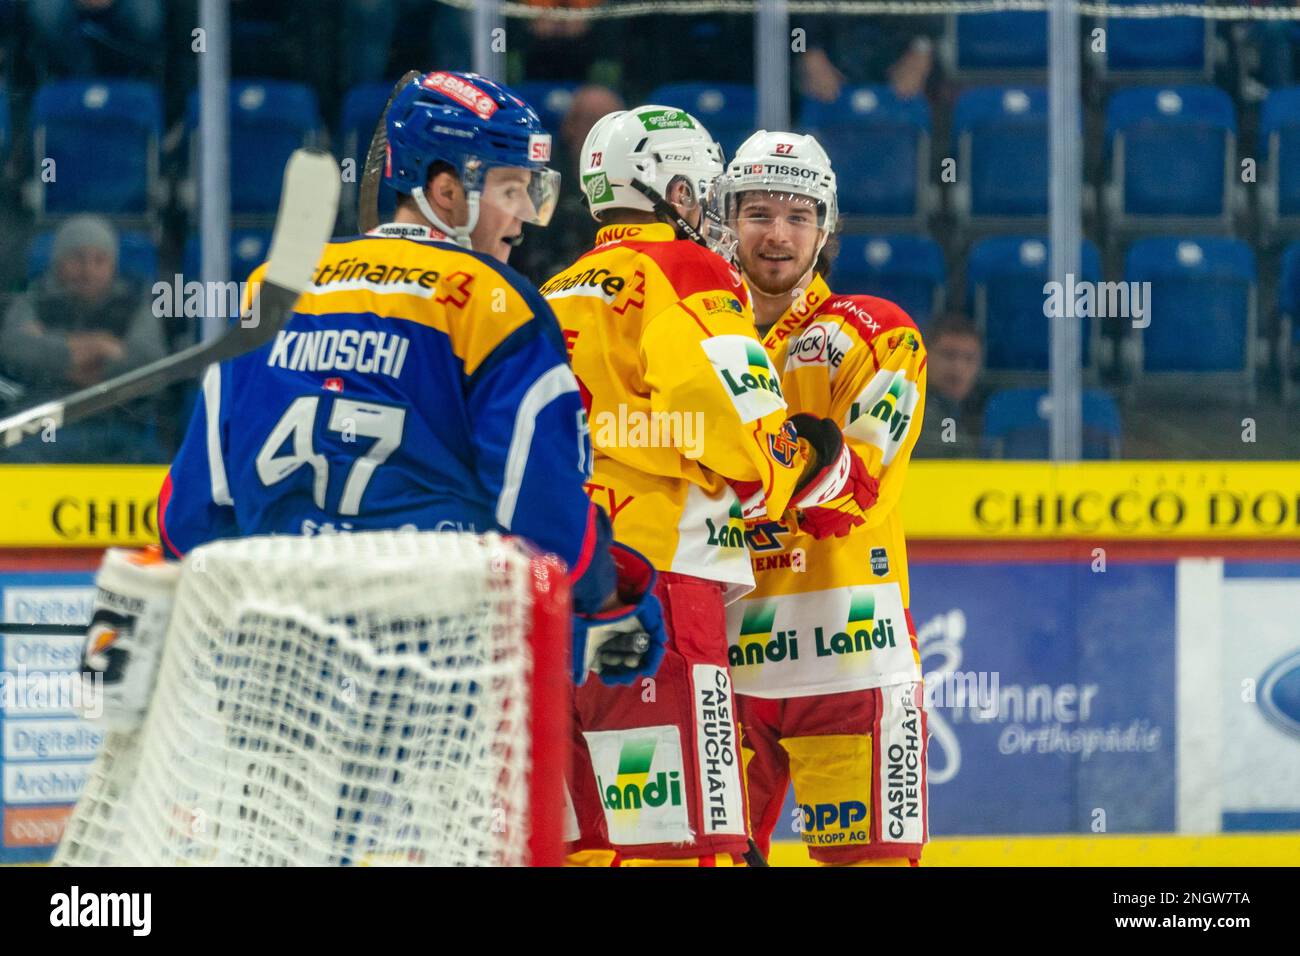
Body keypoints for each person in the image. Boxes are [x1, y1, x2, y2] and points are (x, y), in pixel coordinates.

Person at [131, 72, 666, 704]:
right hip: (436, 671)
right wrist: (604, 597)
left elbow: (188, 512)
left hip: (274, 665)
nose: (523, 221)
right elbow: (542, 514)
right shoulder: (496, 305)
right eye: (511, 190)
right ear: (445, 190)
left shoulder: (272, 289)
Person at [543, 106, 855, 866]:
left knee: (588, 842)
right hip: (660, 585)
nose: (711, 213)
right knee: (684, 845)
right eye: (707, 194)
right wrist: (791, 461)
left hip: (564, 585)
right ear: (674, 191)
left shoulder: (552, 290)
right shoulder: (685, 270)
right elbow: (726, 413)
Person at [715, 130, 929, 865]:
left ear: (826, 227)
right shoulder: (691, 333)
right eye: (759, 213)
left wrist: (748, 470)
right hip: (726, 671)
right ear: (724, 219)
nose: (777, 234)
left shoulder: (876, 332)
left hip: (854, 660)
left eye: (799, 215)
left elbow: (853, 488)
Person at [0, 214, 167, 462]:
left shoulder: (134, 303)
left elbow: (153, 366)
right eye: (77, 259)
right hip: (41, 427)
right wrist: (101, 347)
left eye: (99, 260)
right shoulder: (35, 298)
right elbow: (13, 350)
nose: (88, 270)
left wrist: (50, 346)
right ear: (58, 263)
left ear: (113, 265)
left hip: (117, 428)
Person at [512, 84, 624, 284]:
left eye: (611, 124)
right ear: (569, 126)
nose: (600, 134)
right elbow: (528, 249)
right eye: (591, 121)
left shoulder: (629, 178)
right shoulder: (541, 174)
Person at [914, 313, 987, 458]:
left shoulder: (984, 411)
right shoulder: (913, 411)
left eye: (969, 358)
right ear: (924, 356)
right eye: (948, 355)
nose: (958, 367)